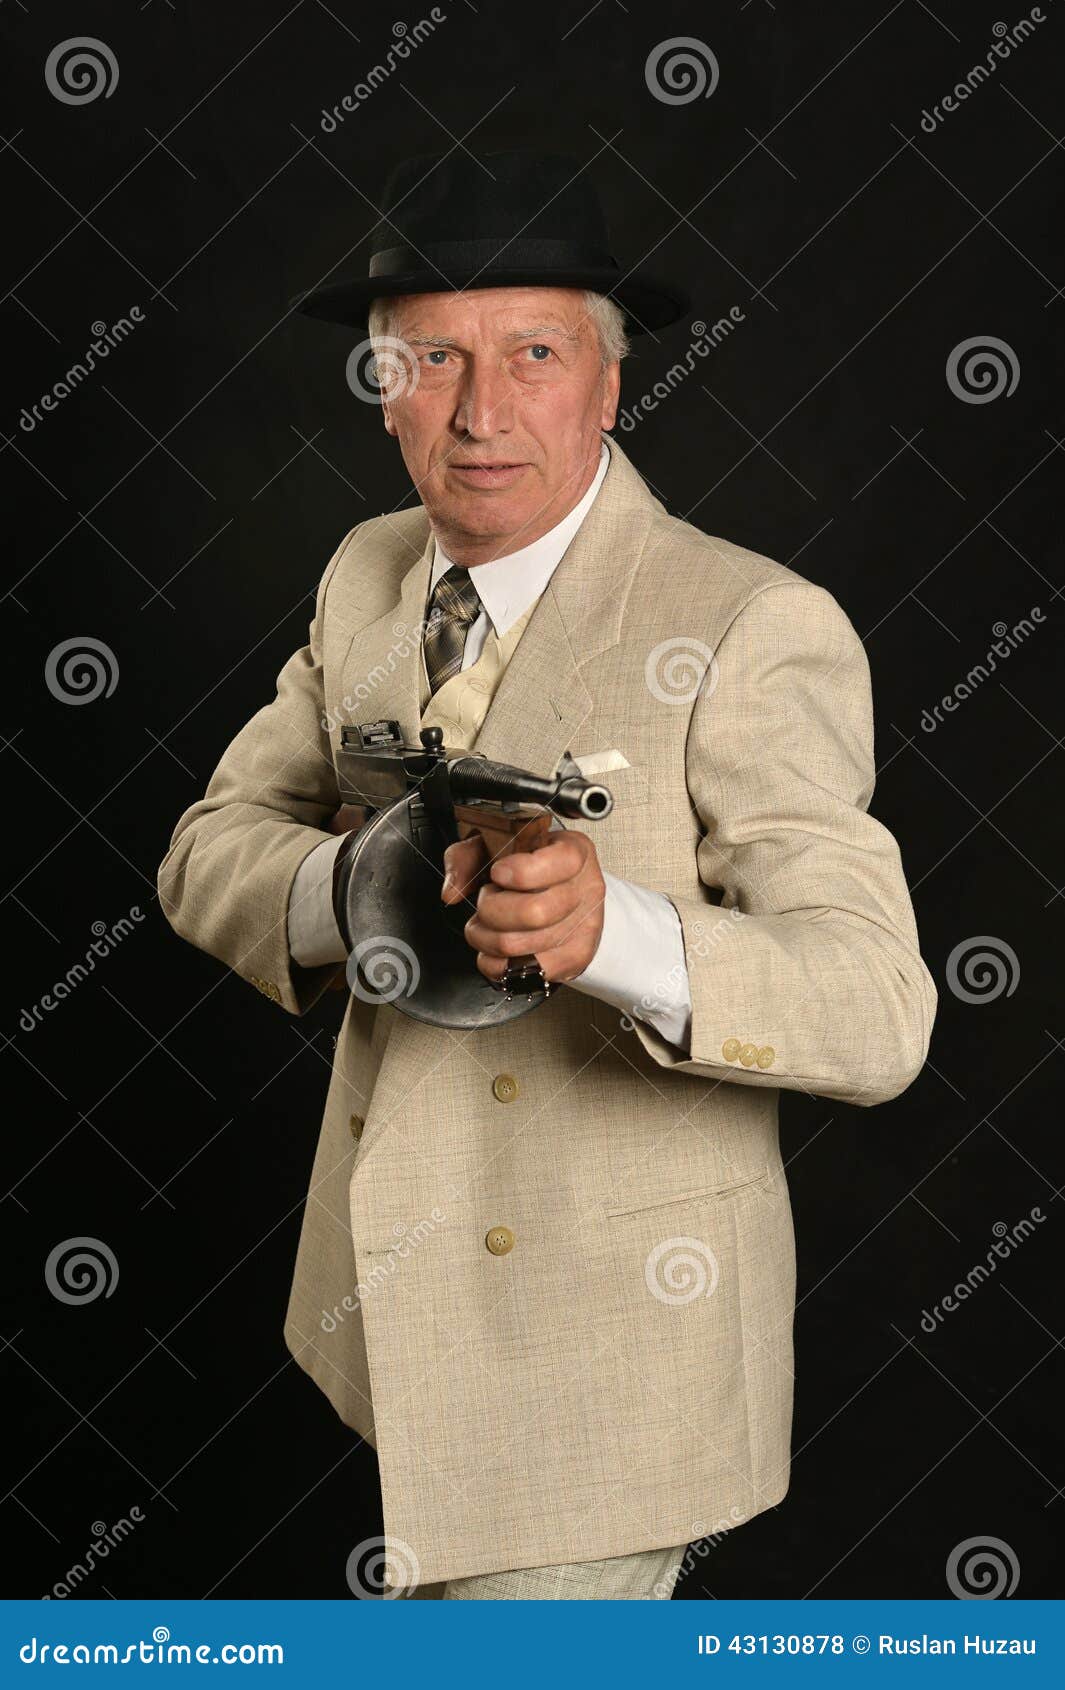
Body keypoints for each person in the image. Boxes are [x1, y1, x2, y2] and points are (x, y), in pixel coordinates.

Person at [158, 148, 936, 1600]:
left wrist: (622, 932)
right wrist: (359, 884)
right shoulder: (364, 574)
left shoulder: (750, 620)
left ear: (606, 384)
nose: (479, 409)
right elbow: (207, 853)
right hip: (388, 1316)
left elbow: (879, 1006)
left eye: (531, 353)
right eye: (431, 358)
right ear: (381, 390)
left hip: (605, 1356)